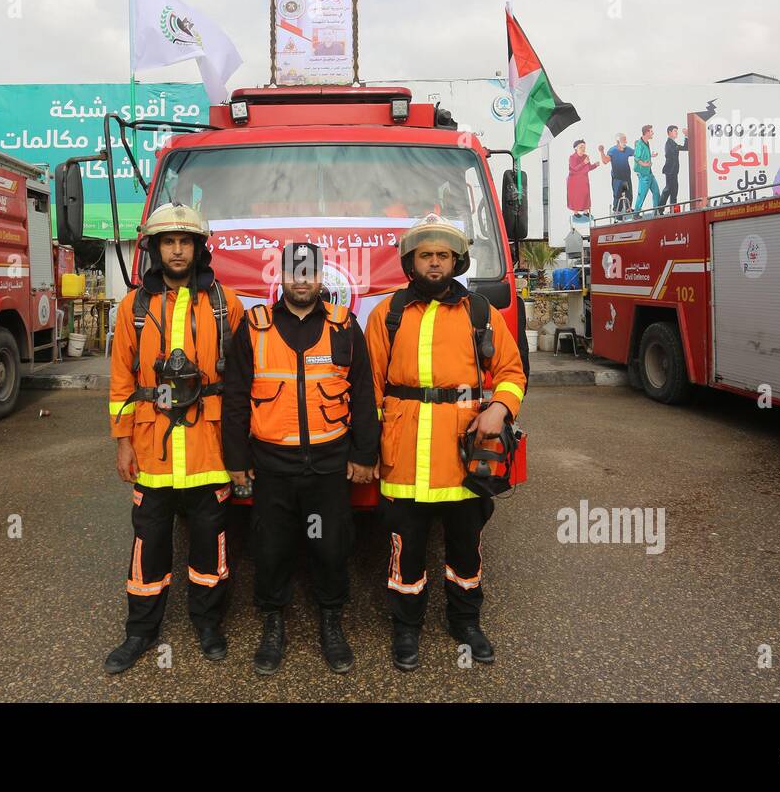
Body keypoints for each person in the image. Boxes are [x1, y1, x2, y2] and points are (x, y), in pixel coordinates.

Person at [364, 215, 527, 672]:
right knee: (406, 548)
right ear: (410, 263)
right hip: (403, 454)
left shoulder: (480, 312)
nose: (435, 263)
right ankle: (405, 627)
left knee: (464, 545)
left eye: (443, 256)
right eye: (425, 256)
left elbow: (512, 372)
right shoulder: (387, 314)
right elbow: (370, 387)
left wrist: (499, 409)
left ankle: (466, 622)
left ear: (456, 261)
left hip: (464, 458)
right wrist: (371, 448)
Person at [223, 242, 379, 675]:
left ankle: (332, 622)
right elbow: (235, 398)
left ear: (320, 277)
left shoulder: (345, 326)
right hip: (272, 465)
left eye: (310, 271)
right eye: (294, 271)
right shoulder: (254, 327)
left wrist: (365, 453)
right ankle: (273, 624)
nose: (302, 279)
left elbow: (364, 394)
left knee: (330, 546)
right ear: (282, 277)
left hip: (330, 464)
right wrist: (236, 460)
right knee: (271, 548)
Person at [103, 202, 245, 675]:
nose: (178, 249)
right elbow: (122, 381)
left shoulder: (228, 306)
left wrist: (242, 451)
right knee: (149, 546)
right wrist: (123, 441)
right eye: (169, 241)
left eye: (185, 241)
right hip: (152, 452)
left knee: (210, 548)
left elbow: (243, 384)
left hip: (210, 451)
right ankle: (140, 633)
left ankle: (209, 625)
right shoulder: (134, 307)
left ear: (199, 247)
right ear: (155, 248)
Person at [566, 139, 599, 222]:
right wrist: (584, 163)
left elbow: (588, 168)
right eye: (581, 147)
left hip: (584, 179)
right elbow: (575, 168)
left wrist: (595, 165)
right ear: (576, 148)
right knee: (576, 197)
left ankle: (585, 212)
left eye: (584, 147)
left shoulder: (585, 156)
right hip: (574, 181)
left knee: (585, 195)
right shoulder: (572, 157)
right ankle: (576, 213)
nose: (583, 149)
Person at [658, 125, 688, 213]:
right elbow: (673, 151)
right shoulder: (669, 143)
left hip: (674, 171)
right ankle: (659, 209)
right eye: (675, 131)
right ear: (670, 132)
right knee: (668, 190)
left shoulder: (673, 143)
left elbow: (685, 148)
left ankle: (673, 210)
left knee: (674, 191)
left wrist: (686, 136)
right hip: (670, 171)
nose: (677, 133)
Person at [632, 125, 659, 216]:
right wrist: (645, 164)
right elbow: (636, 158)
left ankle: (656, 213)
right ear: (647, 132)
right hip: (644, 174)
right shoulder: (639, 144)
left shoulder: (647, 142)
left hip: (649, 173)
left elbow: (644, 154)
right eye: (651, 131)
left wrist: (651, 155)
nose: (652, 133)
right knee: (641, 196)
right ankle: (636, 215)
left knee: (656, 193)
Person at [606, 133, 634, 215]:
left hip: (625, 178)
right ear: (618, 141)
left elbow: (636, 153)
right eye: (624, 140)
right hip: (617, 178)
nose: (626, 141)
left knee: (627, 193)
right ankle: (616, 211)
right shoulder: (612, 150)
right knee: (617, 195)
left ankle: (628, 209)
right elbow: (605, 161)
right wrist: (601, 152)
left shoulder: (627, 149)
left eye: (625, 139)